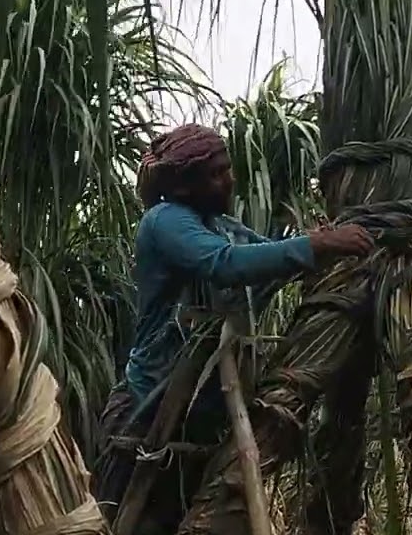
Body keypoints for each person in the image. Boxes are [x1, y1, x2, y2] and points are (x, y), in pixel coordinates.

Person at [92, 123, 374, 534]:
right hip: (148, 412)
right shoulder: (165, 220)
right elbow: (225, 264)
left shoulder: (220, 226)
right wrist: (317, 245)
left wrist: (320, 246)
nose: (229, 180)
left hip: (201, 422)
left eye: (227, 168)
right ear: (184, 186)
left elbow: (266, 261)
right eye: (215, 173)